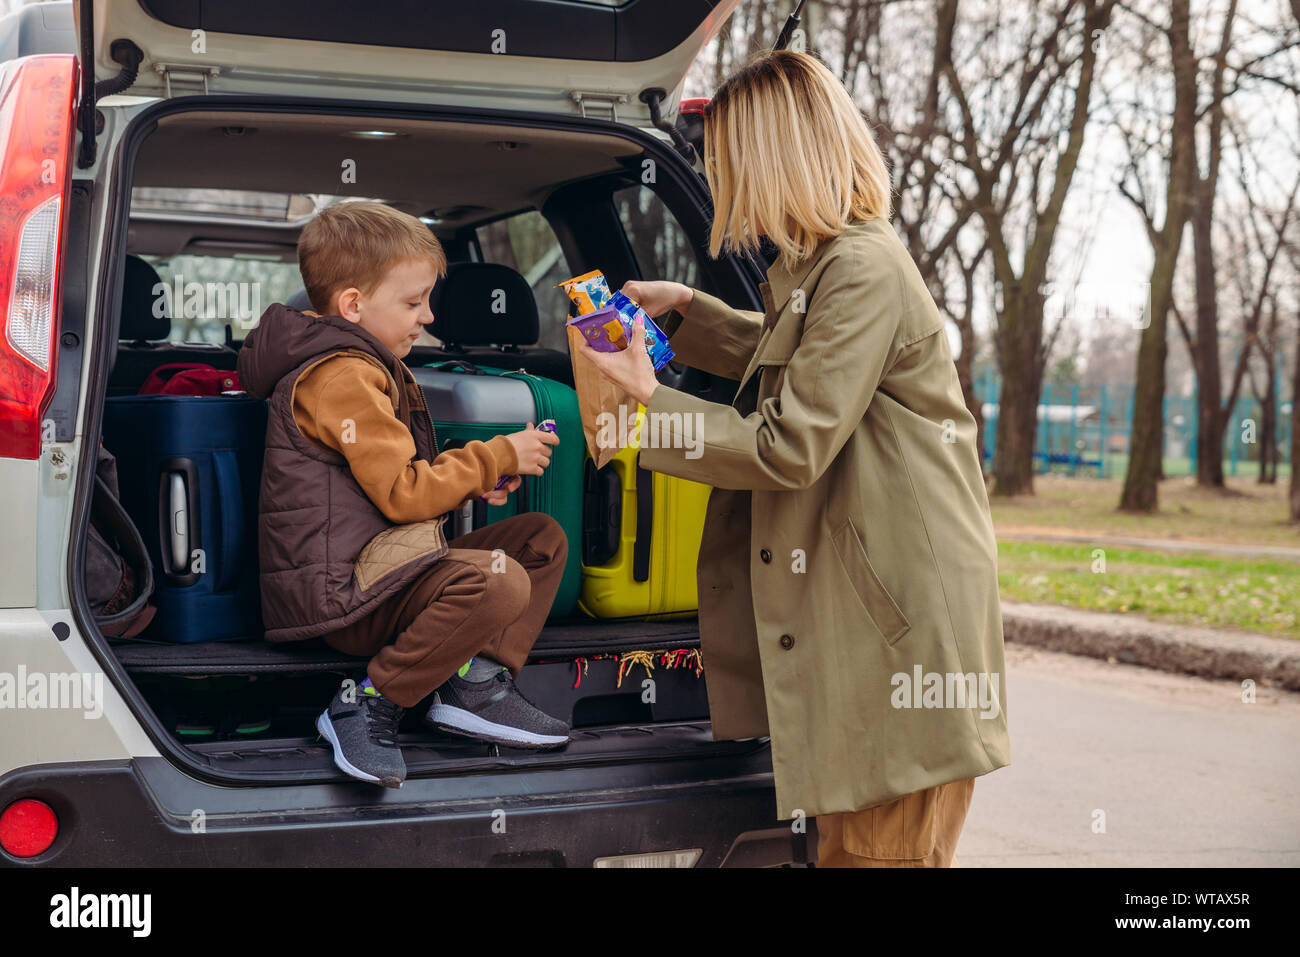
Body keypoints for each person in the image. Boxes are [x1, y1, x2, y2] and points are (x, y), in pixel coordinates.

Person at [579, 50, 1010, 867]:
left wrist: (646, 403)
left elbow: (789, 442)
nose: (722, 179)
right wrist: (691, 314)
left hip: (900, 639)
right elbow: (801, 357)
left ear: (775, 158)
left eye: (729, 161)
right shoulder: (828, 263)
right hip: (877, 627)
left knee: (880, 855)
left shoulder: (861, 266)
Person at [237, 200, 570, 789]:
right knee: (500, 578)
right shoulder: (342, 376)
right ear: (353, 305)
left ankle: (472, 684)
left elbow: (390, 481)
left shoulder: (364, 362)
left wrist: (475, 477)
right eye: (413, 303)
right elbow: (402, 494)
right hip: (341, 596)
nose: (429, 316)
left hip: (377, 563)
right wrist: (493, 454)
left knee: (538, 541)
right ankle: (367, 704)